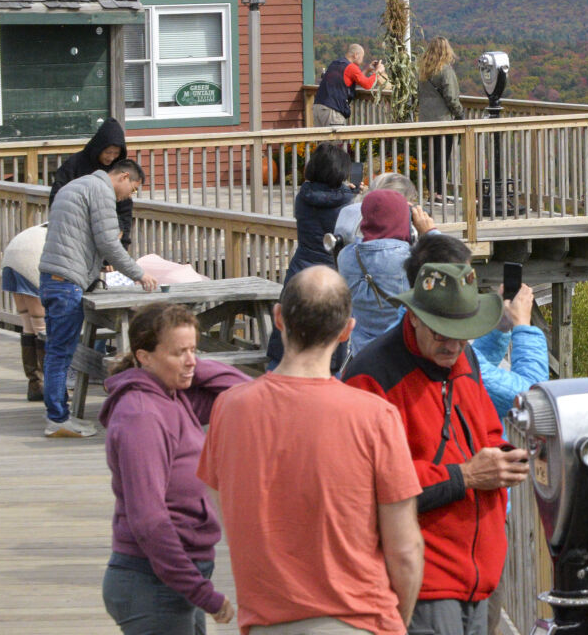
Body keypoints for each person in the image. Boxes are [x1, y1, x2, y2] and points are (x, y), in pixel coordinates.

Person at [199, 266, 425, 634]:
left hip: (266, 621)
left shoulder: (228, 408)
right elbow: (406, 550)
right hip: (358, 619)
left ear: (279, 319)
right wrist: (398, 622)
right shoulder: (376, 416)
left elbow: (222, 502)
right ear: (347, 330)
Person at [345, 262, 528, 635]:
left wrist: (502, 456)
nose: (454, 345)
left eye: (463, 333)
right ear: (411, 316)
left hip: (482, 575)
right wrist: (467, 476)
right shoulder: (371, 377)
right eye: (442, 333)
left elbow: (486, 433)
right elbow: (365, 487)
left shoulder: (465, 358)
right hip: (423, 582)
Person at [99, 303, 246, 634]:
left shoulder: (173, 397)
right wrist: (202, 593)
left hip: (174, 579)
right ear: (145, 356)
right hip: (152, 583)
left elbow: (241, 391)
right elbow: (148, 520)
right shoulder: (142, 417)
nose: (191, 360)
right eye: (179, 352)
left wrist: (187, 365)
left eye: (195, 349)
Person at [38, 159, 155, 437]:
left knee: (57, 351)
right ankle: (57, 419)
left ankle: (60, 414)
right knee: (60, 353)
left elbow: (84, 237)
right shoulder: (101, 191)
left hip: (52, 277)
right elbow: (108, 243)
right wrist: (139, 274)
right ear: (124, 177)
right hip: (67, 281)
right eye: (133, 189)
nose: (129, 196)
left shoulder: (76, 186)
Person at [403, 234, 547, 420]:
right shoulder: (438, 359)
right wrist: (523, 325)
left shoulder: (414, 331)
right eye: (466, 280)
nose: (455, 345)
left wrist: (500, 328)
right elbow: (536, 402)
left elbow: (476, 364)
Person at [264, 141, 357, 371]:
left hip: (301, 267)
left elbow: (323, 197)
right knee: (329, 330)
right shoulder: (347, 203)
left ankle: (276, 370)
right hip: (332, 272)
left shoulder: (303, 197)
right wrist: (352, 191)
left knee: (291, 323)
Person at [338, 190, 417, 354]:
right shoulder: (410, 259)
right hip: (402, 355)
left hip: (362, 356)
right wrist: (429, 231)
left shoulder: (345, 256)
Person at [49, 118, 135, 250]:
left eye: (116, 153)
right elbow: (57, 197)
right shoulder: (74, 164)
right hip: (75, 233)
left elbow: (125, 209)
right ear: (98, 148)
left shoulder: (119, 170)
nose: (111, 157)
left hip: (108, 236)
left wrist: (122, 243)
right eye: (108, 152)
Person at [0, 223, 48, 401]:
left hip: (12, 255)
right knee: (41, 324)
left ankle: (35, 384)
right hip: (32, 258)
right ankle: (49, 386)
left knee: (28, 324)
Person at [334, 171, 433, 255]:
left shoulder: (350, 211)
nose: (411, 206)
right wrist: (429, 232)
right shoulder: (397, 253)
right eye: (407, 200)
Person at [416, 38, 463, 199]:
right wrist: (459, 113)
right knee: (442, 157)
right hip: (443, 120)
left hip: (425, 120)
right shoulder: (445, 70)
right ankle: (440, 192)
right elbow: (451, 96)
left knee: (430, 157)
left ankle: (431, 190)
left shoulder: (423, 71)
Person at [313, 43, 382, 128]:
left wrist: (367, 70)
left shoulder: (335, 63)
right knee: (335, 140)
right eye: (362, 57)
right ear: (356, 55)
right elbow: (367, 84)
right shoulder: (351, 67)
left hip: (318, 107)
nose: (362, 60)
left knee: (321, 140)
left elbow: (350, 80)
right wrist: (378, 72)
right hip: (332, 110)